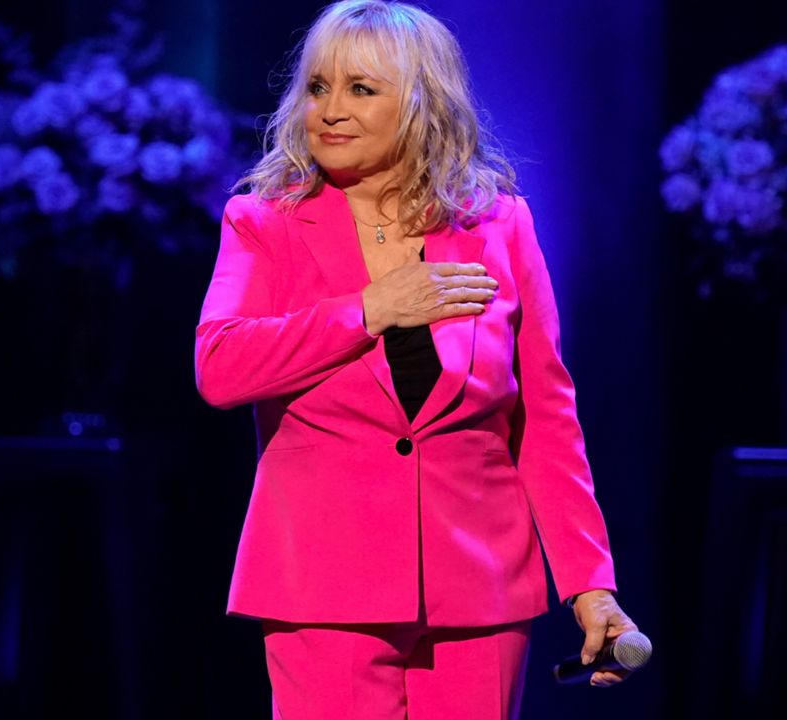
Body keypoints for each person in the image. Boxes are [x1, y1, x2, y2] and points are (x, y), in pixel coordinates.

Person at [194, 1, 638, 717]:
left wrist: (590, 584)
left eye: (361, 89)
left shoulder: (499, 225)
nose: (331, 111)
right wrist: (369, 310)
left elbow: (546, 421)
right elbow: (220, 366)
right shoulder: (265, 222)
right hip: (323, 585)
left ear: (421, 104)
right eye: (318, 88)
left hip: (481, 592)